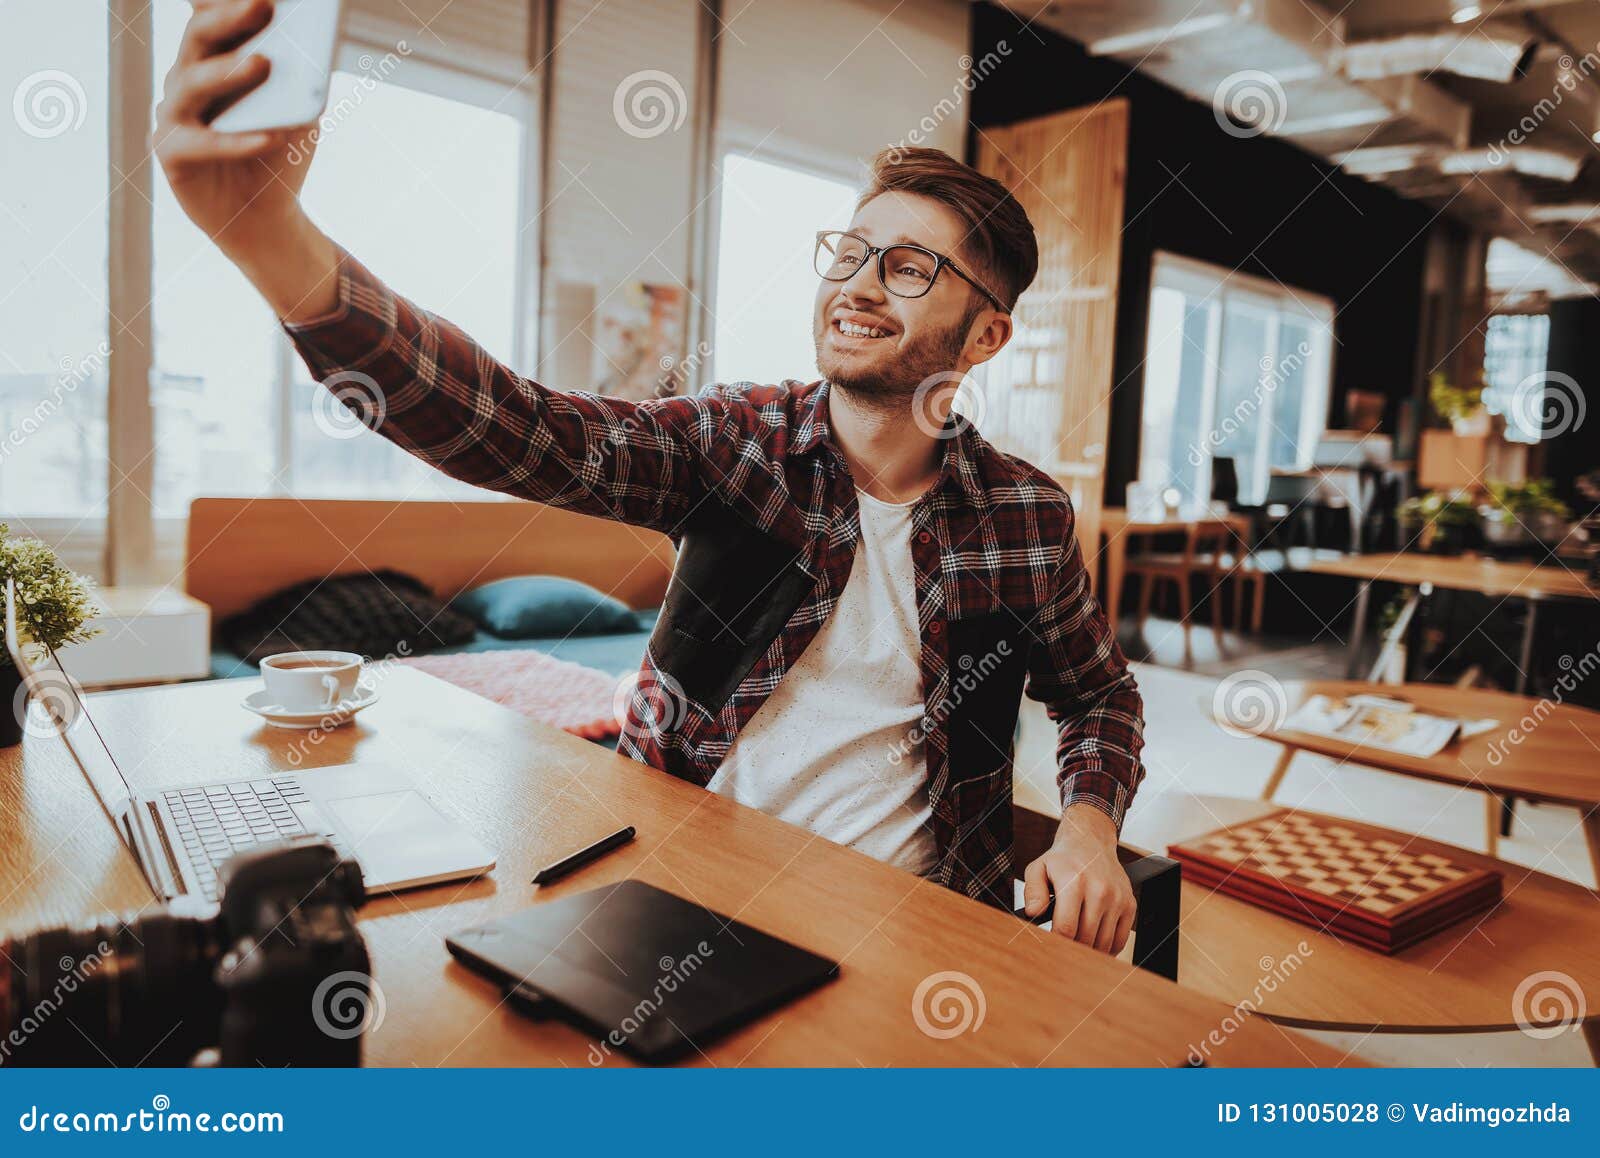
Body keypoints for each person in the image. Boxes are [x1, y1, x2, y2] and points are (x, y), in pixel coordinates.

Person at [156, 0, 1146, 953]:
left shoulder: (1023, 516)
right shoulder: (732, 444)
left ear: (986, 335)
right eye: (850, 253)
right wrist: (272, 242)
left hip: (913, 926)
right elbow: (512, 426)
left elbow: (1098, 694)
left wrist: (1088, 824)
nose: (855, 284)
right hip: (682, 894)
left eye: (905, 268)